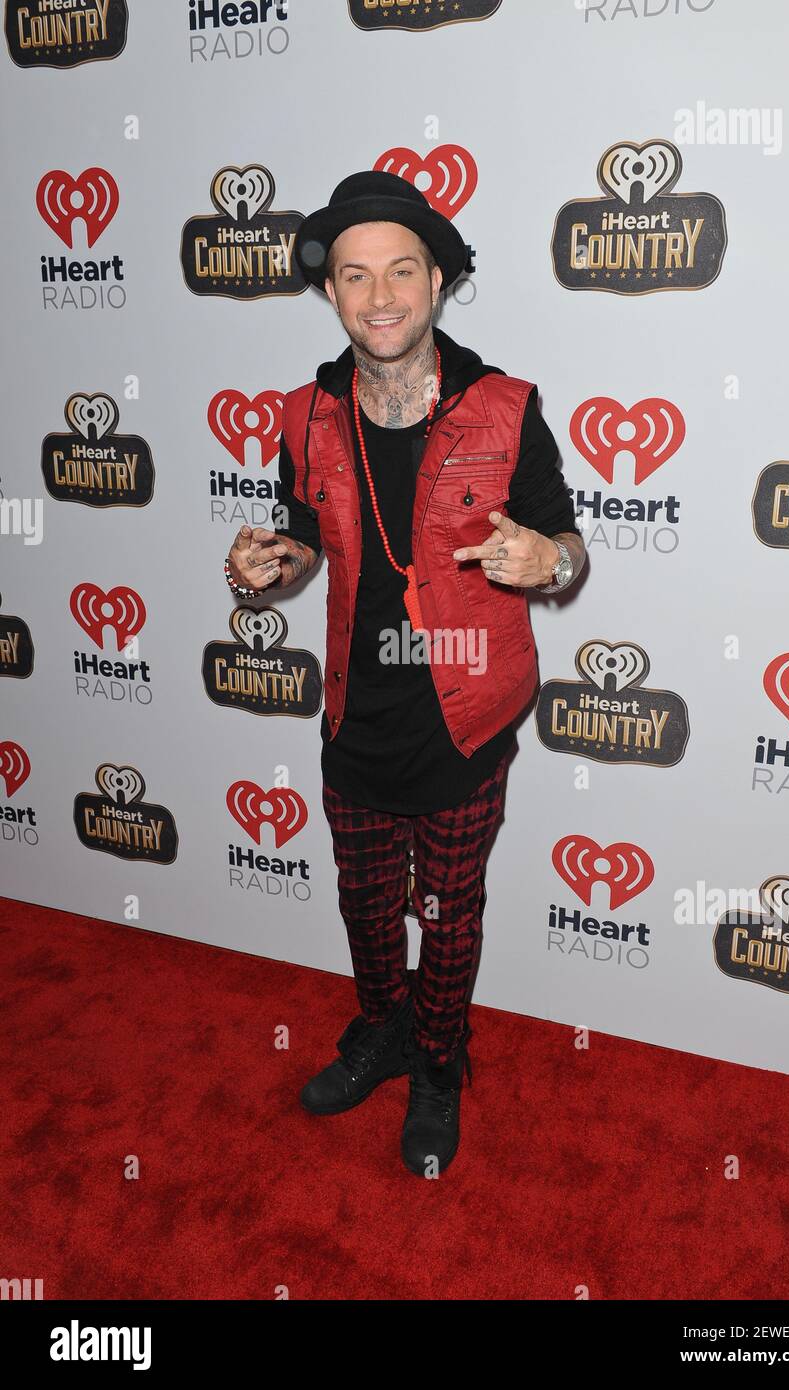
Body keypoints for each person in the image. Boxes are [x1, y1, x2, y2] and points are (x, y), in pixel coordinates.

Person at [225, 170, 586, 1177]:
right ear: (331, 293)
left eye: (399, 271)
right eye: (353, 275)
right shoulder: (304, 415)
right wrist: (266, 571)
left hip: (465, 718)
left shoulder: (506, 410)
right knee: (364, 902)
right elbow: (300, 541)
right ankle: (382, 1028)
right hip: (355, 714)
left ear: (437, 281)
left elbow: (567, 544)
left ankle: (436, 1060)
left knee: (452, 909)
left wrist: (549, 562)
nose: (378, 296)